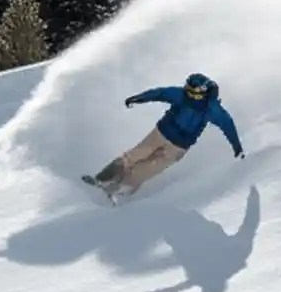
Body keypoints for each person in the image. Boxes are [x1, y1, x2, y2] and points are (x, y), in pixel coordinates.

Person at [85, 73, 243, 200]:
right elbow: (159, 93)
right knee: (134, 156)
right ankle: (102, 179)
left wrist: (237, 147)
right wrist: (138, 98)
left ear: (204, 93)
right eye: (189, 91)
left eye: (195, 94)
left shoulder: (212, 109)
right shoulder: (180, 94)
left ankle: (118, 191)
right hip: (161, 133)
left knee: (148, 169)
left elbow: (228, 126)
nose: (191, 96)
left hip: (179, 146)